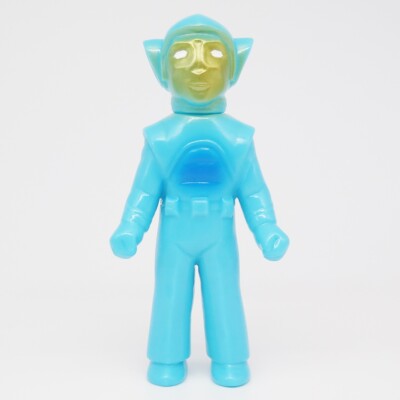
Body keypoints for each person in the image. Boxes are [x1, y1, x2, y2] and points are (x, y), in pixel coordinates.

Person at [110, 14, 289, 387]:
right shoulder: (160, 138)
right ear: (160, 68)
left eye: (213, 53)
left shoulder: (238, 139)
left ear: (236, 65)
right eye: (181, 55)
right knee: (170, 294)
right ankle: (166, 359)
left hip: (219, 233)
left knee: (224, 293)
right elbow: (144, 191)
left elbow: (254, 191)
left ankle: (231, 359)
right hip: (175, 232)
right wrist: (130, 229)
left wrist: (267, 229)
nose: (198, 65)